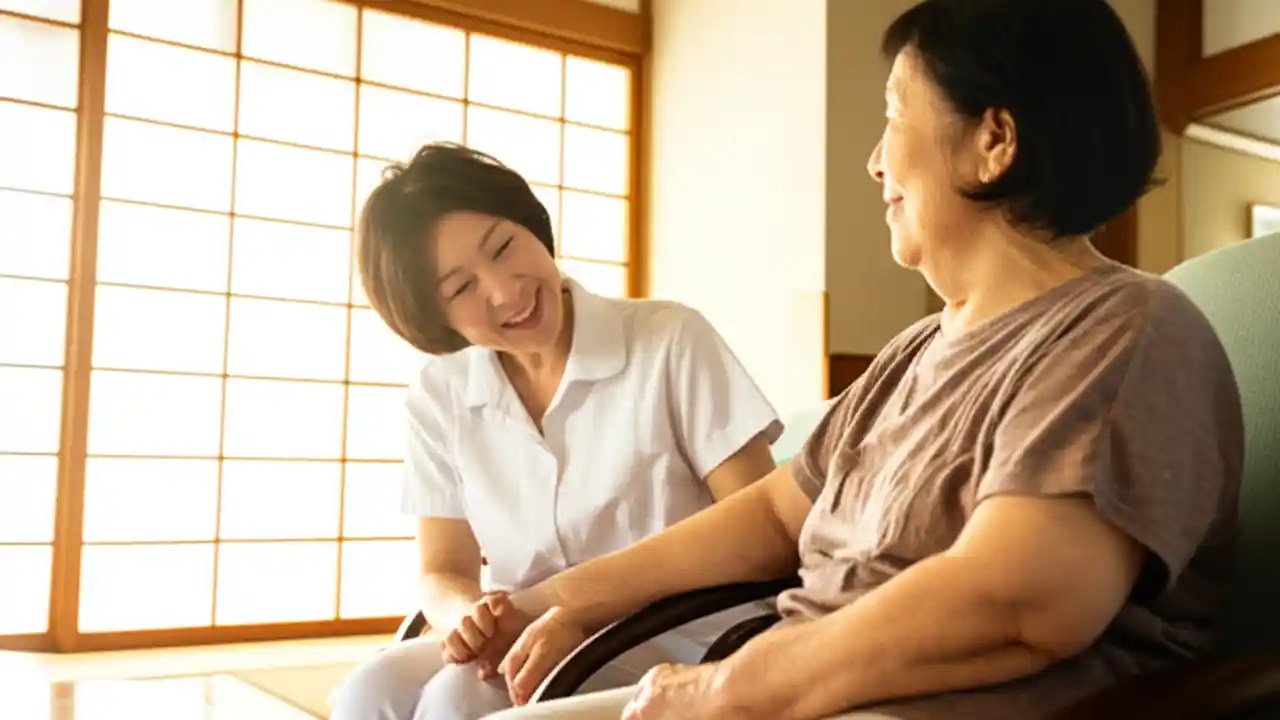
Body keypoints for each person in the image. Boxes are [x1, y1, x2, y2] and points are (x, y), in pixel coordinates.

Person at [448, 1, 1247, 718]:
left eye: (894, 116)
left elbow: (1021, 599)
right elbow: (770, 515)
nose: (874, 164)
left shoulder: (1125, 329)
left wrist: (730, 688)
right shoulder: (913, 353)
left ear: (993, 142)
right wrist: (558, 599)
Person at [328, 143, 783, 720]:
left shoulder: (670, 340)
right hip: (525, 633)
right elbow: (443, 568)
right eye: (461, 288)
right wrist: (469, 618)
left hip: (683, 632)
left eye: (504, 246)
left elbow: (763, 531)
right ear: (431, 318)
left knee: (458, 696)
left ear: (532, 226)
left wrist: (570, 609)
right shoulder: (440, 394)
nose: (504, 289)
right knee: (368, 690)